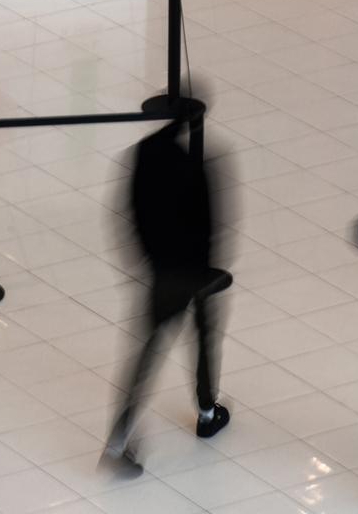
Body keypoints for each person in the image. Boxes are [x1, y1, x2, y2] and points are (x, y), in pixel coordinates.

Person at [101, 112, 231, 477]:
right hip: (194, 271)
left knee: (146, 353)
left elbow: (127, 211)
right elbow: (211, 225)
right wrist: (208, 273)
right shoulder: (199, 164)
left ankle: (120, 436)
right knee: (205, 337)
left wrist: (144, 260)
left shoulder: (144, 154)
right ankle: (207, 412)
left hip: (160, 272)